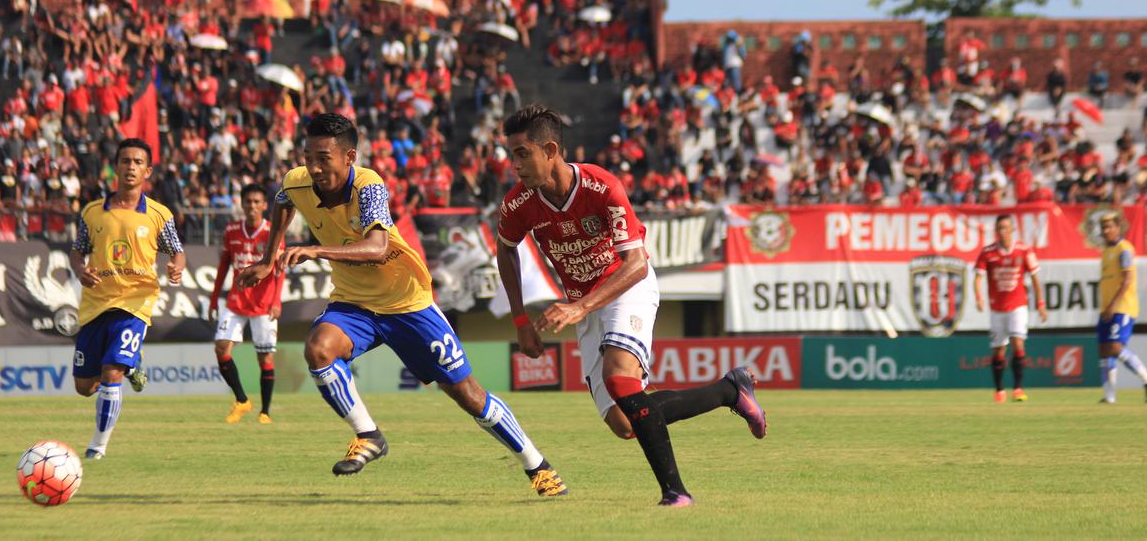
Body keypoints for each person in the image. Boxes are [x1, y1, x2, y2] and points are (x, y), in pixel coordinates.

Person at [235, 113, 567, 496]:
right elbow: (282, 202)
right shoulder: (297, 181)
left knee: (469, 395)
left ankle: (537, 466)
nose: (313, 166)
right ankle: (369, 434)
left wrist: (314, 249)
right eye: (308, 156)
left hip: (408, 301)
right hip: (354, 302)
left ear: (349, 157)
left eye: (323, 158)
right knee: (319, 350)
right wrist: (266, 257)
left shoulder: (369, 185)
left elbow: (377, 248)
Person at [494, 104, 767, 508]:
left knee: (621, 380)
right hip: (584, 305)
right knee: (625, 422)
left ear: (550, 150)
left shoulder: (601, 187)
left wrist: (579, 308)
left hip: (625, 287)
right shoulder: (519, 204)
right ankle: (730, 390)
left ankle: (676, 493)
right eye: (511, 154)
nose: (514, 165)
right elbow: (506, 250)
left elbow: (636, 264)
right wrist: (521, 320)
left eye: (521, 153)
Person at [69, 138, 185, 459]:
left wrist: (176, 266)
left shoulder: (159, 214)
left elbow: (177, 251)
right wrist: (80, 269)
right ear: (115, 167)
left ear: (147, 171)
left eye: (137, 162)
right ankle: (134, 365)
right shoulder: (93, 212)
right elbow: (77, 252)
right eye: (125, 161)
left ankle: (97, 447)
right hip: (96, 303)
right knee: (84, 386)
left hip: (136, 302)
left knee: (111, 372)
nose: (130, 167)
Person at [208, 184, 285, 424]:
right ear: (242, 204)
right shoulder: (231, 230)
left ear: (264, 205)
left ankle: (265, 412)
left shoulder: (273, 232)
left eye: (256, 202)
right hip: (236, 300)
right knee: (221, 348)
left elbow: (279, 271)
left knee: (265, 360)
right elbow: (224, 265)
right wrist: (214, 297)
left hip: (263, 303)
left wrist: (275, 301)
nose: (252, 206)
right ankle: (242, 401)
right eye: (248, 201)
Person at [973, 215, 1047, 403]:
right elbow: (978, 277)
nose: (1002, 232)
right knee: (998, 351)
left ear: (1013, 229)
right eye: (999, 228)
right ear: (996, 231)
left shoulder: (1024, 250)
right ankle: (999, 391)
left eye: (1006, 228)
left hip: (1018, 306)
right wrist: (979, 298)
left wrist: (1040, 304)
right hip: (997, 308)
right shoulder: (988, 252)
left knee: (1018, 344)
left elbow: (1036, 278)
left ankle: (1018, 389)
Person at [1096, 212, 1146, 403]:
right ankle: (1109, 396)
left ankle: (1145, 378)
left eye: (1110, 226)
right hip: (1106, 308)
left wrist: (1112, 305)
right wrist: (1105, 307)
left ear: (1118, 227)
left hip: (1122, 307)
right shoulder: (1106, 251)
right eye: (1104, 227)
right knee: (1103, 350)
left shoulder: (1124, 249)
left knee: (1115, 348)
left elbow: (1127, 281)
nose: (1106, 230)